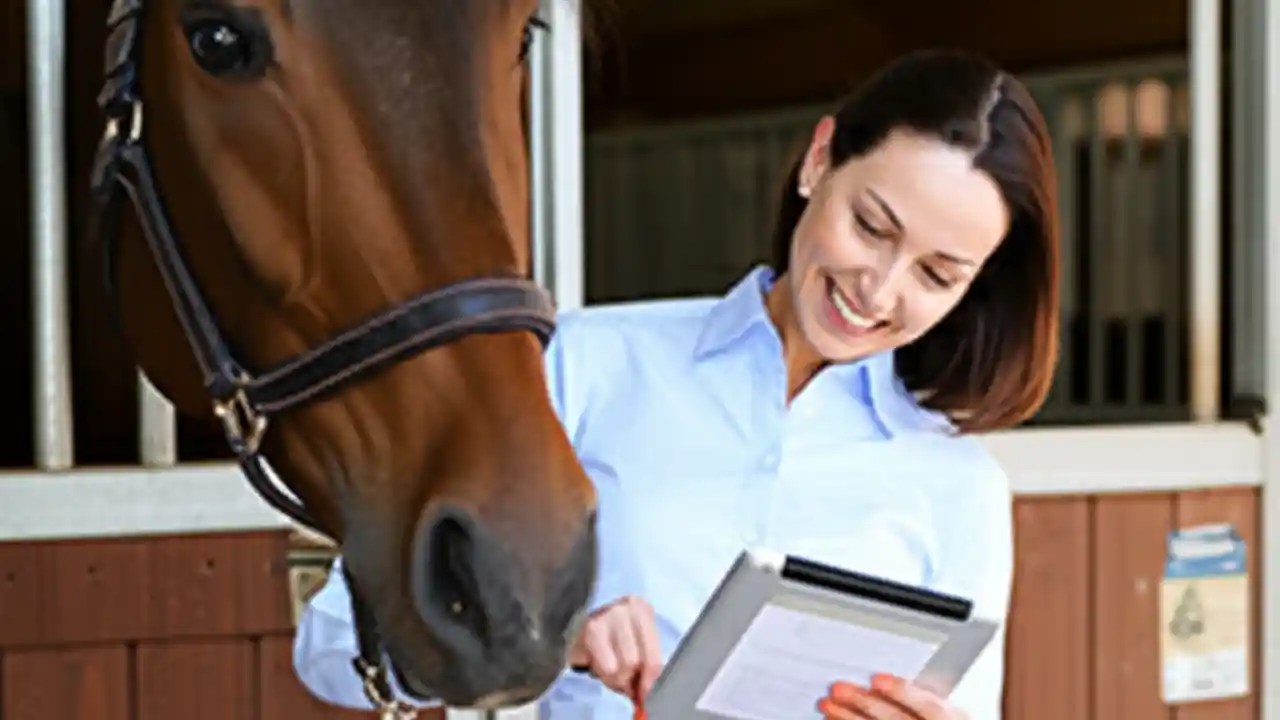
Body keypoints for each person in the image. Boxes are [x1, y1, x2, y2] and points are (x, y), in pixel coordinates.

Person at [292, 47, 1058, 720]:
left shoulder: (960, 487)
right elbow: (329, 650)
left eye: (936, 274)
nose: (880, 290)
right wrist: (549, 638)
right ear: (820, 159)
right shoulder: (583, 366)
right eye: (872, 226)